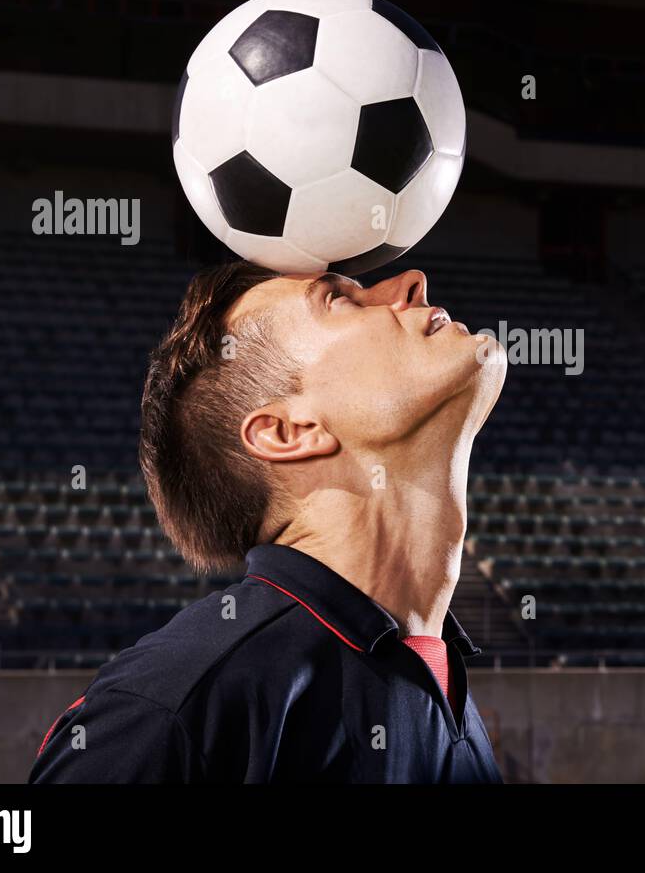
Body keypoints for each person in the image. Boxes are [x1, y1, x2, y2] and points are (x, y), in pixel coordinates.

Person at [30, 261, 506, 782]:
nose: (410, 283)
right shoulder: (174, 708)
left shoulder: (434, 676)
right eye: (339, 300)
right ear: (287, 431)